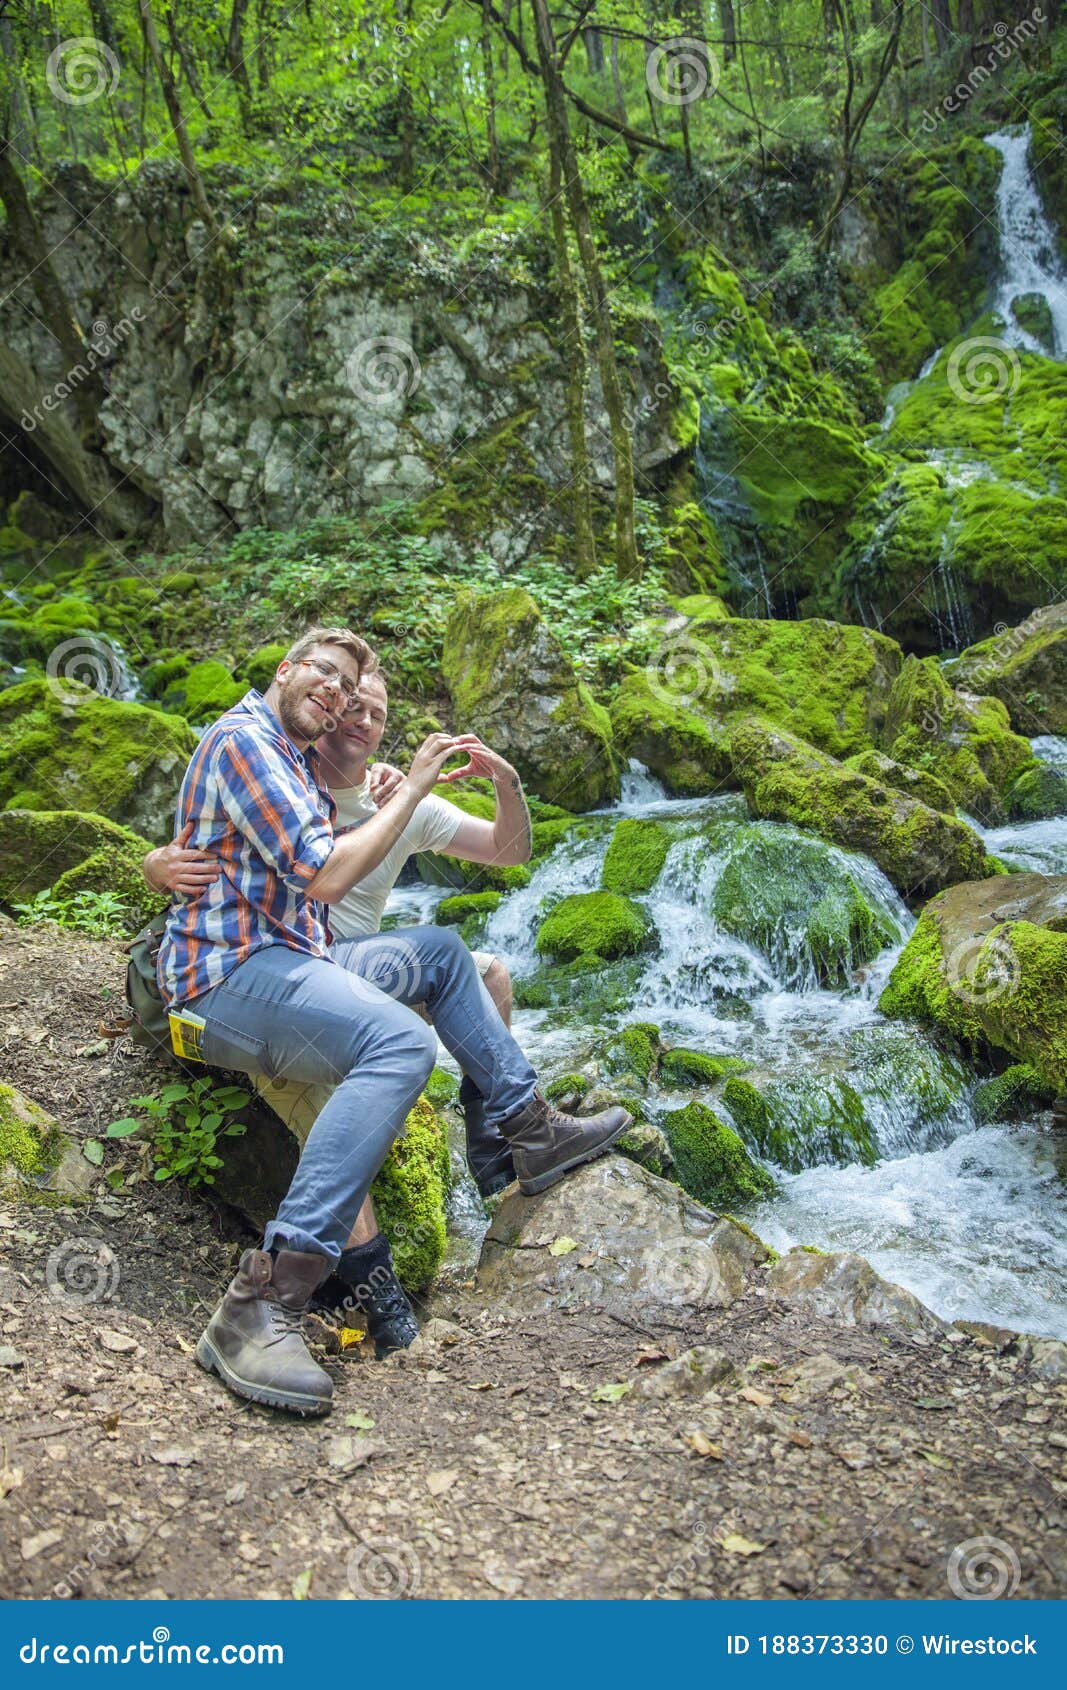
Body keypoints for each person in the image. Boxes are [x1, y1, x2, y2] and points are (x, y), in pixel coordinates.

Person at [154, 626, 629, 1417]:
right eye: (327, 679)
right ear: (285, 668)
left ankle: (526, 1129)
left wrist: (448, 785)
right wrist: (409, 787)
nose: (342, 702)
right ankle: (263, 1304)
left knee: (443, 952)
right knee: (400, 1041)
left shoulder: (294, 756)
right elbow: (323, 875)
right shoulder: (247, 742)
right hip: (225, 981)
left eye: (354, 694)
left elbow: (500, 849)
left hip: (295, 961)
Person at [145, 665, 530, 1354]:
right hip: (285, 981)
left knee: (487, 973)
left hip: (357, 972)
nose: (360, 720)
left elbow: (509, 851)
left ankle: (496, 1141)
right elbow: (207, 837)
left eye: (374, 714)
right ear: (320, 717)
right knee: (337, 1097)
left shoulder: (394, 797)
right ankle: (375, 1299)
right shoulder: (280, 778)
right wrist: (153, 863)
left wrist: (505, 781)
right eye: (349, 706)